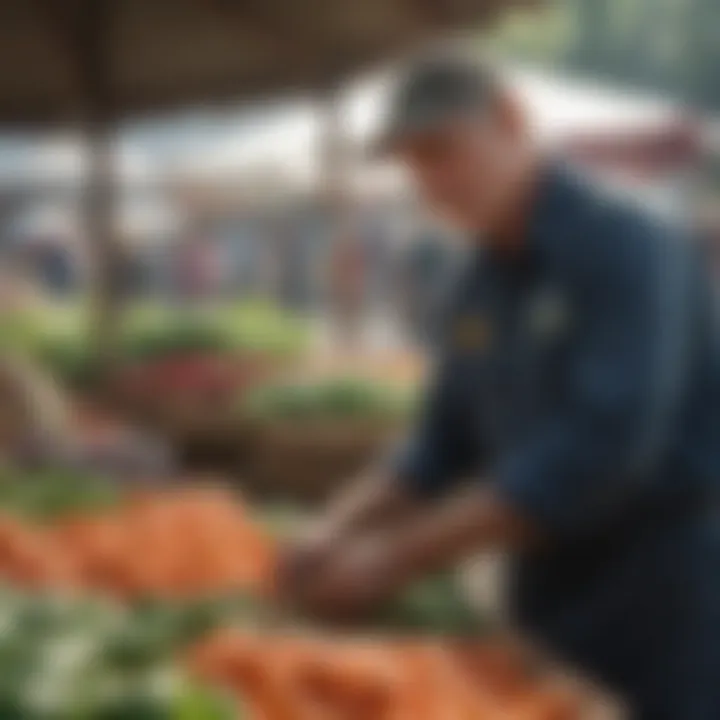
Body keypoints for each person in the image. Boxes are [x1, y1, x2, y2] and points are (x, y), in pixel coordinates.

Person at [277, 54, 720, 720]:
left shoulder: (625, 245)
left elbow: (597, 451)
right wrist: (333, 527)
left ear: (512, 120)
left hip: (659, 585)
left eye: (441, 151)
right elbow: (438, 445)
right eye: (411, 164)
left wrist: (394, 558)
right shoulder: (477, 285)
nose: (430, 181)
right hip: (542, 583)